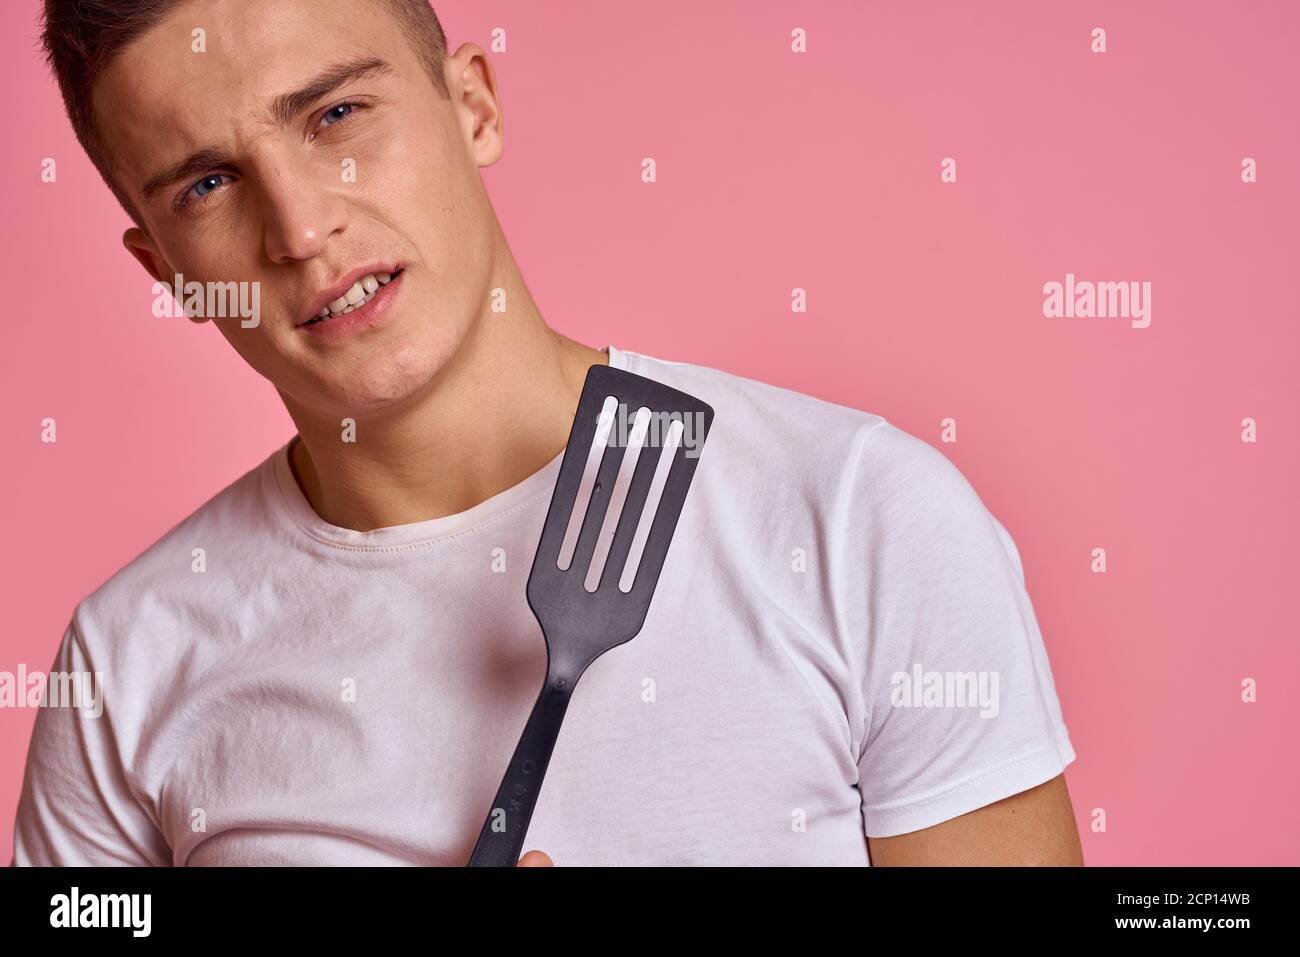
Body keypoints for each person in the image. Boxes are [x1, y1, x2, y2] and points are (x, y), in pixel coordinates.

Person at [13, 0, 1082, 866]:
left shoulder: (857, 517)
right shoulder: (124, 664)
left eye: (336, 116)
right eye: (208, 184)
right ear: (169, 276)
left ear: (472, 104)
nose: (299, 228)